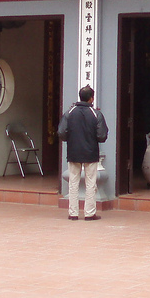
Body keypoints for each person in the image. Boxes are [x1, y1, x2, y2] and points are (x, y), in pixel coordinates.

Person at [57, 85, 108, 221]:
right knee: (91, 183)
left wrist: (71, 139)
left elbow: (61, 132)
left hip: (73, 152)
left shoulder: (69, 112)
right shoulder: (96, 114)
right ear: (92, 98)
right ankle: (89, 213)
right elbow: (102, 135)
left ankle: (73, 213)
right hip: (91, 152)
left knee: (73, 183)